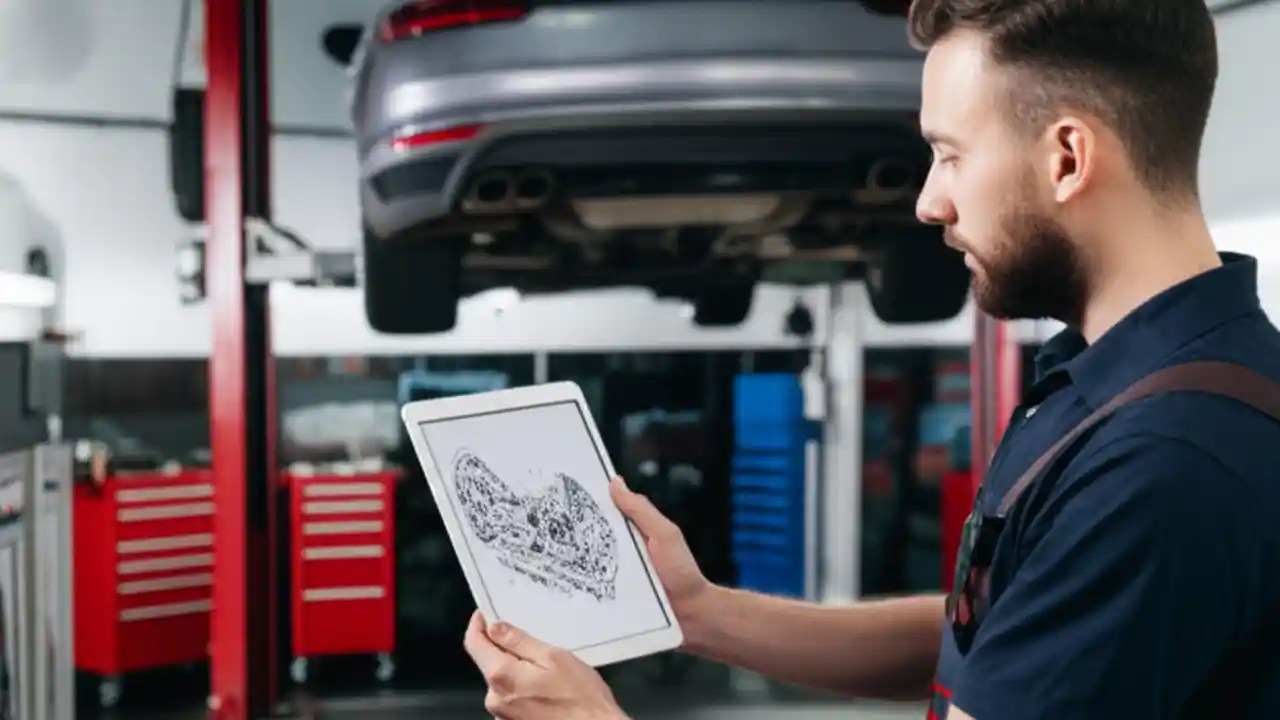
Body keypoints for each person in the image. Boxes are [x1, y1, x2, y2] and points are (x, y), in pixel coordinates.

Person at [462, 0, 1280, 717]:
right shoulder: (1114, 387)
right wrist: (695, 611)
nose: (930, 201)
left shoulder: (1164, 464)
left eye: (951, 154)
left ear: (1066, 157)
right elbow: (995, 634)